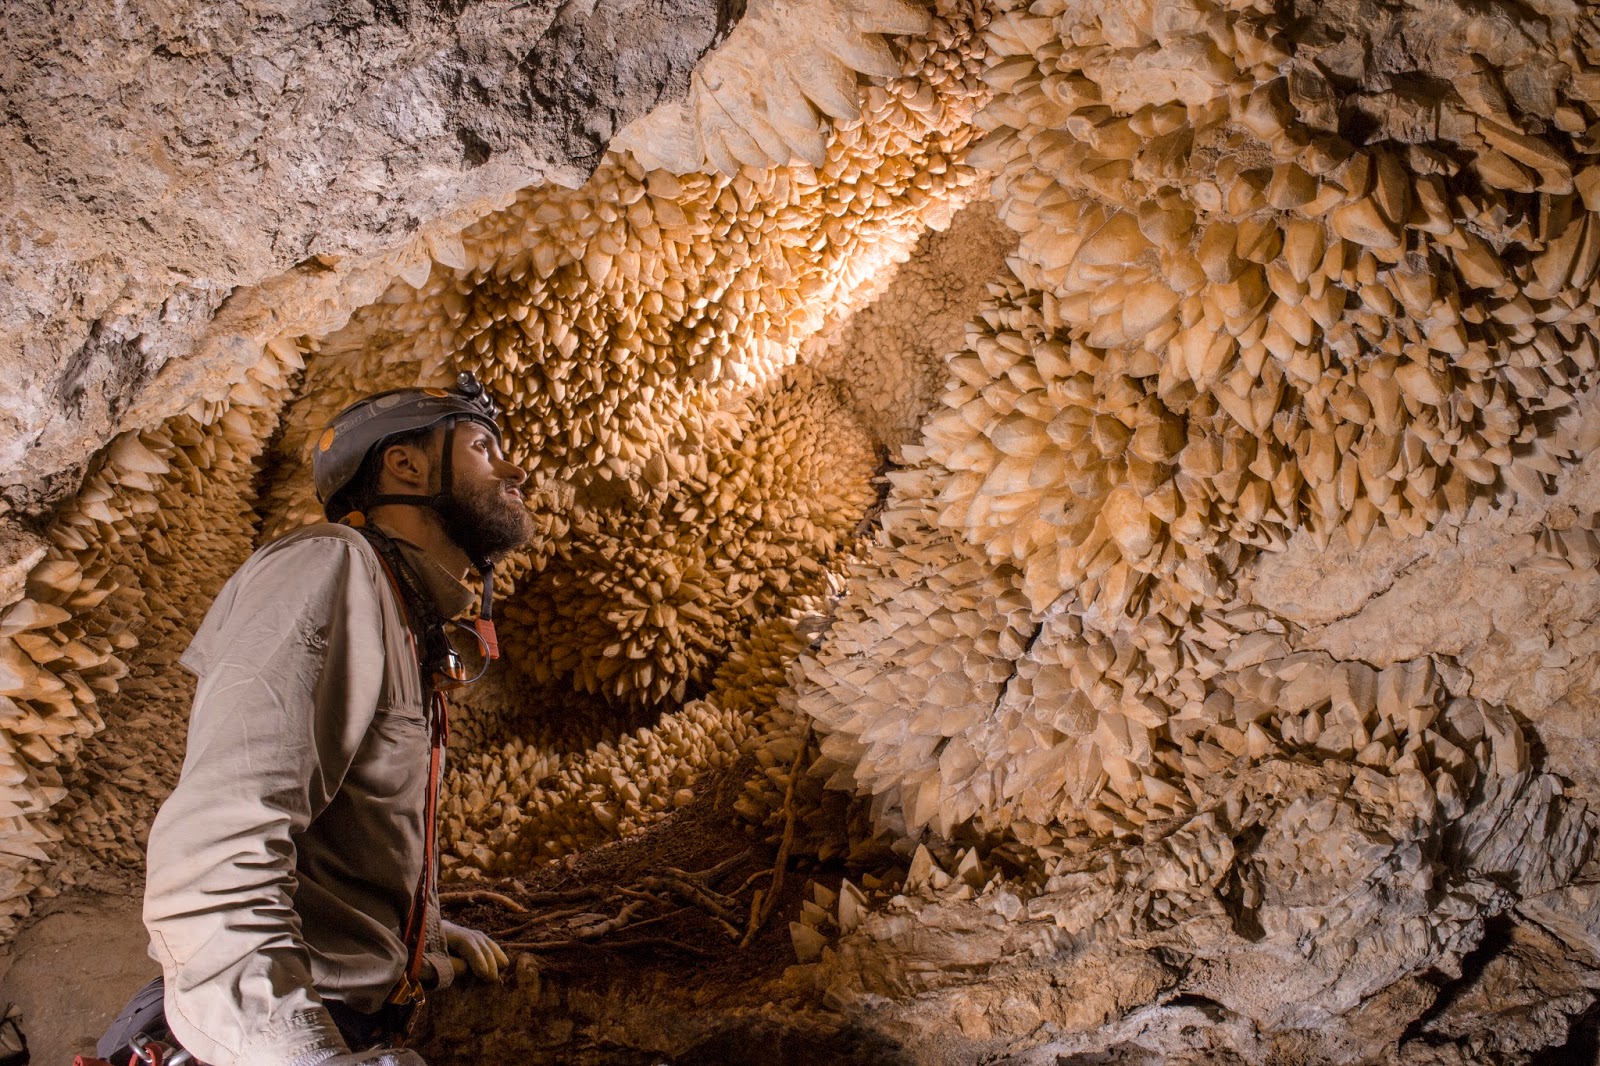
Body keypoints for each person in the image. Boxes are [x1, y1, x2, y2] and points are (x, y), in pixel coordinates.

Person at [95, 373, 534, 1066]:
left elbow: (342, 835)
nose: (517, 470)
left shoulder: (402, 613)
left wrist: (407, 938)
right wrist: (300, 1052)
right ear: (405, 464)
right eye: (484, 447)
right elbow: (215, 849)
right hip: (258, 1034)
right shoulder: (329, 566)